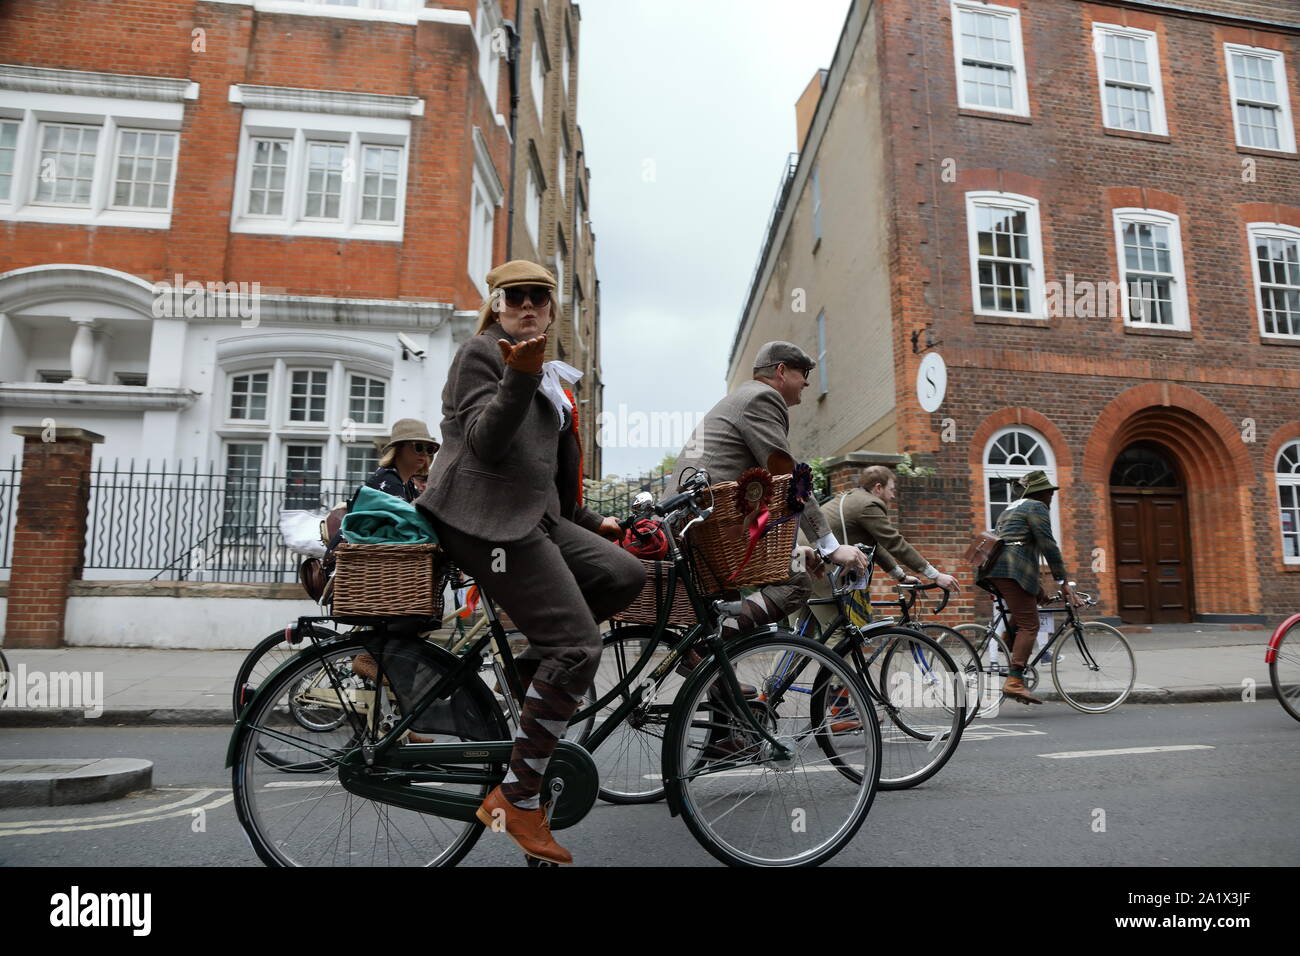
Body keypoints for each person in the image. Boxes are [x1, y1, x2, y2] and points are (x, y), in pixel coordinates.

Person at [414, 259, 643, 865]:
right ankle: (515, 799)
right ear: (496, 303)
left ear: (550, 308)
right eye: (516, 296)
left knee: (625, 573)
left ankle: (531, 671)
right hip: (480, 519)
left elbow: (553, 481)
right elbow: (486, 444)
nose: (529, 305)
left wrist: (597, 524)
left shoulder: (549, 375)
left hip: (533, 518)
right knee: (579, 649)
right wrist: (519, 374)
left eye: (540, 298)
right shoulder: (481, 354)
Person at [670, 341, 869, 649]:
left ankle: (715, 682)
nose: (806, 382)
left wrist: (800, 550)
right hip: (703, 523)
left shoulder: (742, 398)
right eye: (803, 373)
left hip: (695, 521)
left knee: (735, 595)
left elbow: (765, 493)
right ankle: (706, 649)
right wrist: (830, 548)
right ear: (780, 371)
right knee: (796, 583)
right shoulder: (762, 398)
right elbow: (788, 478)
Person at [977, 469, 1081, 704]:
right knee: (1030, 624)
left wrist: (1039, 591)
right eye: (1049, 493)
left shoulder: (1012, 508)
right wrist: (1063, 582)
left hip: (995, 569)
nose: (1051, 497)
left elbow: (1021, 548)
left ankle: (1011, 653)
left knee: (1021, 616)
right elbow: (1048, 546)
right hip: (1011, 570)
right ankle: (1014, 680)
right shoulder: (1037, 507)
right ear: (1039, 493)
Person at [821, 465, 960, 592]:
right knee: (837, 616)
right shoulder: (868, 504)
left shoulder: (855, 496)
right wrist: (935, 576)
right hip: (819, 564)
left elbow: (877, 546)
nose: (893, 496)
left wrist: (901, 577)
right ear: (878, 488)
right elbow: (894, 542)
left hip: (811, 557)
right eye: (891, 489)